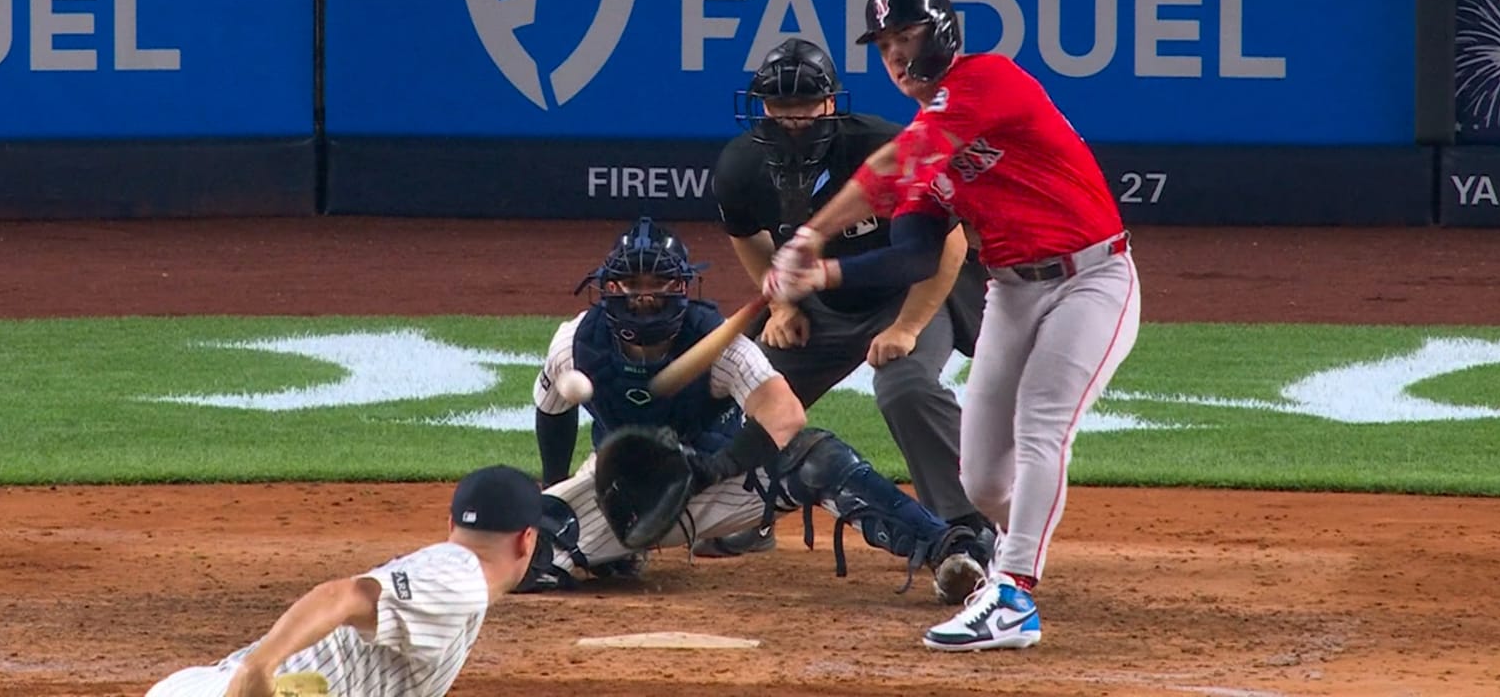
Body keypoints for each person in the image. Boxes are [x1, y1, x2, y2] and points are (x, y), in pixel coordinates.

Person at [765, 0, 1141, 651]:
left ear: (939, 33)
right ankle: (1011, 555)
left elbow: (894, 162)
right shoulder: (931, 143)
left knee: (1042, 426)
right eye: (883, 47)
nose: (895, 57)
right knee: (985, 479)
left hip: (1094, 279)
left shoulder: (986, 80)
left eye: (904, 38)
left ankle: (1015, 595)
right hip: (1011, 293)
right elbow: (911, 252)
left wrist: (810, 235)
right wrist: (824, 271)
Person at [522, 216, 989, 605]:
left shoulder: (718, 343)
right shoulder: (577, 343)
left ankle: (946, 549)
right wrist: (555, 489)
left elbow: (785, 413)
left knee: (818, 458)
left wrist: (711, 468)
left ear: (683, 286)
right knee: (528, 555)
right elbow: (552, 409)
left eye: (659, 283)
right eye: (632, 284)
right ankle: (612, 553)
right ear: (608, 286)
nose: (645, 296)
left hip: (718, 482)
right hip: (619, 492)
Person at [704, 36, 991, 559]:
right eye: (779, 107)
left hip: (905, 295)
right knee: (748, 385)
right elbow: (747, 237)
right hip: (821, 307)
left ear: (831, 103)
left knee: (904, 387)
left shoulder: (879, 147)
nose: (791, 119)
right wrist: (784, 305)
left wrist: (907, 327)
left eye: (804, 106)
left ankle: (965, 524)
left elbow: (948, 241)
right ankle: (752, 510)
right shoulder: (741, 166)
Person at [144, 465, 543, 697]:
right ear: (527, 540)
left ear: (451, 524)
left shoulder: (452, 575)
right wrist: (258, 666)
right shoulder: (459, 578)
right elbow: (344, 594)